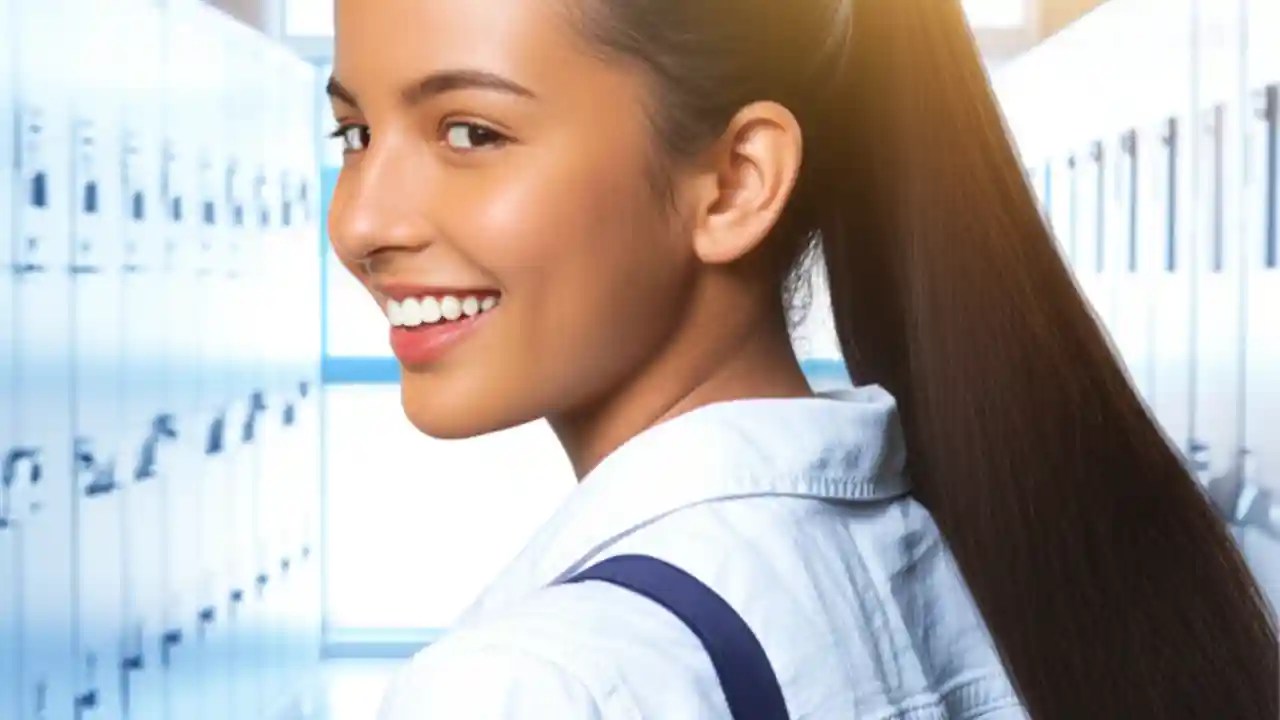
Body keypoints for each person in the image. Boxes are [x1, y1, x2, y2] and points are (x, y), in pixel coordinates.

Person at [324, 0, 1279, 717]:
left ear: (736, 184)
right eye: (356, 134)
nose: (362, 222)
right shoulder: (974, 562)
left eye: (471, 133)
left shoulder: (537, 688)